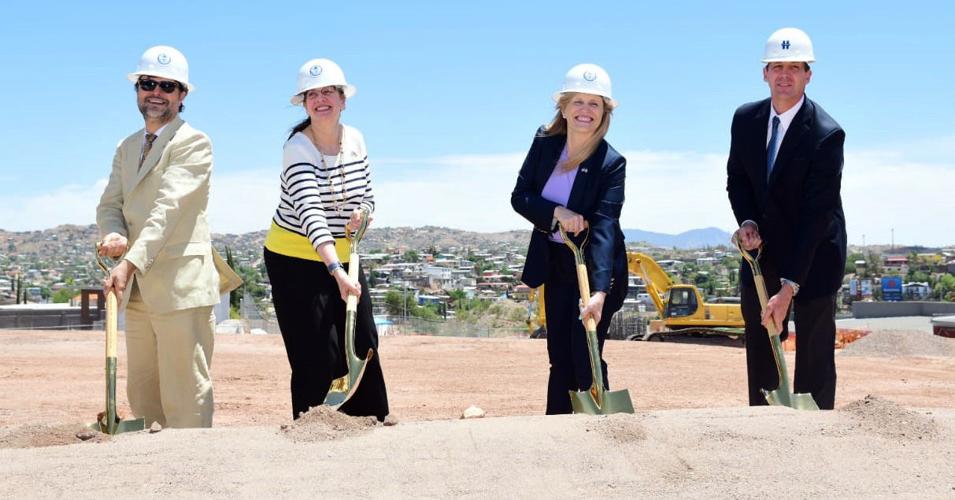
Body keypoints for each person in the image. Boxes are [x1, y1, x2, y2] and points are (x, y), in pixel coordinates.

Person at [97, 45, 241, 428]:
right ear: (137, 89)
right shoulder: (125, 148)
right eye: (148, 83)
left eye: (167, 85)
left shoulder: (194, 143)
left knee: (185, 398)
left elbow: (167, 210)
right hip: (140, 292)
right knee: (143, 398)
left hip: (181, 289)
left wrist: (127, 263)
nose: (156, 92)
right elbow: (110, 203)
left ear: (182, 95)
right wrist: (113, 233)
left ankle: (192, 481)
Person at [726, 28, 846, 409]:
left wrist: (789, 286)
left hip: (814, 251)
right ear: (764, 73)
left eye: (794, 67)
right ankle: (765, 428)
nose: (784, 75)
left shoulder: (826, 135)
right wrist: (747, 221)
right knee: (762, 337)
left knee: (812, 348)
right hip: (762, 254)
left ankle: (815, 430)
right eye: (776, 66)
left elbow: (816, 215)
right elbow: (738, 179)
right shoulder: (745, 120)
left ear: (808, 75)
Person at [263, 58, 389, 421]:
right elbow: (311, 215)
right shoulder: (297, 148)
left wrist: (363, 212)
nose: (321, 99)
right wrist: (336, 271)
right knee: (318, 348)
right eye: (312, 94)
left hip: (344, 254)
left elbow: (367, 194)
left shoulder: (356, 140)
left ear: (343, 99)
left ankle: (370, 420)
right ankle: (314, 425)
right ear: (304, 103)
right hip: (295, 258)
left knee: (363, 337)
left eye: (328, 92)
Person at [511, 63, 628, 414]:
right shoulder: (545, 144)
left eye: (595, 104)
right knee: (559, 356)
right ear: (563, 107)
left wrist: (599, 292)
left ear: (605, 113)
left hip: (594, 268)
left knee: (585, 351)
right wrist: (556, 213)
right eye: (578, 101)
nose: (585, 111)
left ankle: (603, 429)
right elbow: (520, 196)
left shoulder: (611, 163)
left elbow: (607, 225)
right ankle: (557, 433)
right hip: (557, 264)